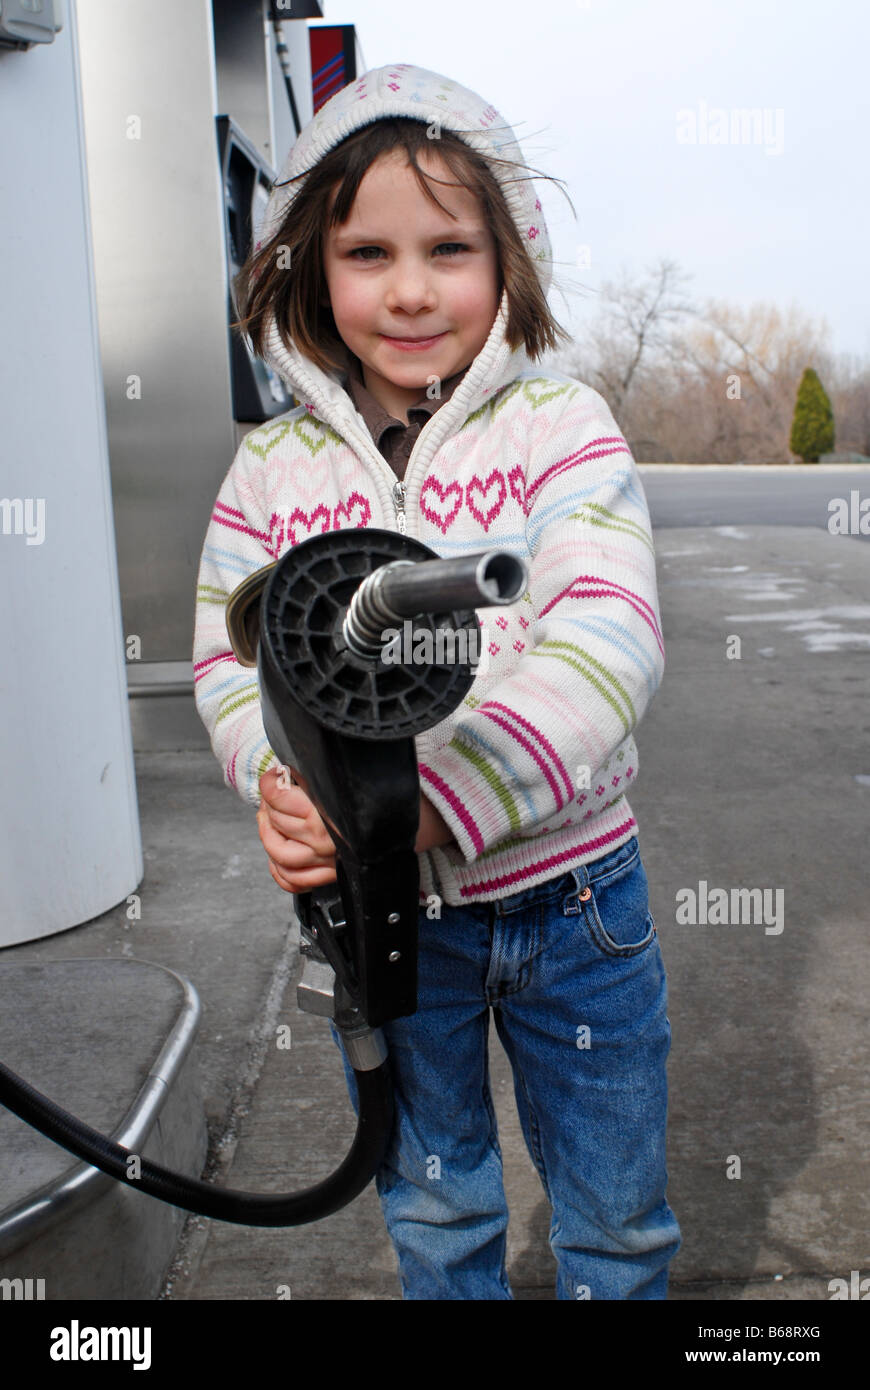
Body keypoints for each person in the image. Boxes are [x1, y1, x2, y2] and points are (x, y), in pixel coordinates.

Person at [193, 63, 681, 1300]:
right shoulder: (269, 475)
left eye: (450, 247)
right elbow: (230, 658)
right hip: (387, 921)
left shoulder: (562, 429)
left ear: (510, 260)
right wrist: (284, 788)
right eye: (367, 252)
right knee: (436, 1205)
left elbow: (607, 635)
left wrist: (439, 805)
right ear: (306, 266)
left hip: (577, 904)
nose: (411, 290)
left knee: (616, 1218)